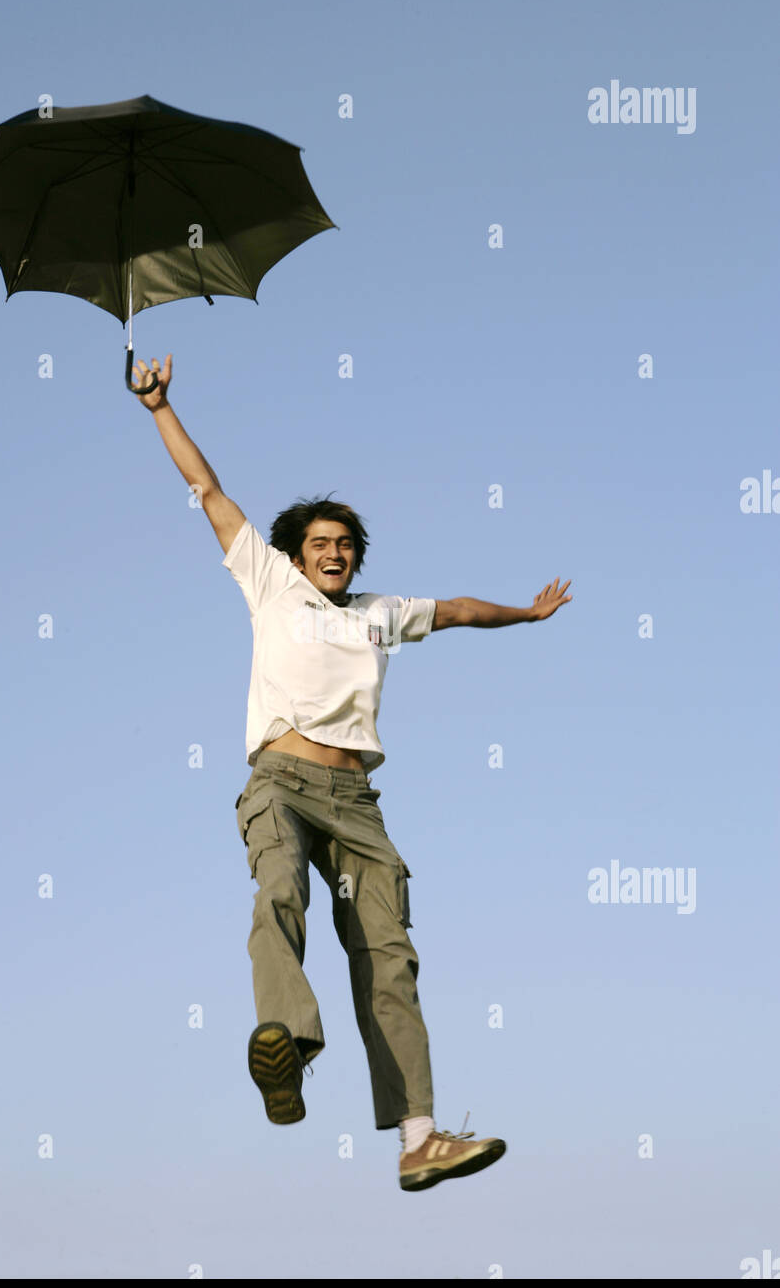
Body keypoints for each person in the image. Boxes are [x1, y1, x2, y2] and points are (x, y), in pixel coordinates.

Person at [133, 354, 572, 1191]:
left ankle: (418, 1139)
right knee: (280, 895)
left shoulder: (379, 614)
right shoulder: (268, 583)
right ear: (295, 556)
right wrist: (160, 407)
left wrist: (528, 612)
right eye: (319, 544)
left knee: (389, 957)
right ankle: (285, 1046)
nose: (333, 554)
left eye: (344, 546)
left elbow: (459, 612)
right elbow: (210, 490)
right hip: (282, 784)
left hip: (357, 803)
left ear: (355, 560)